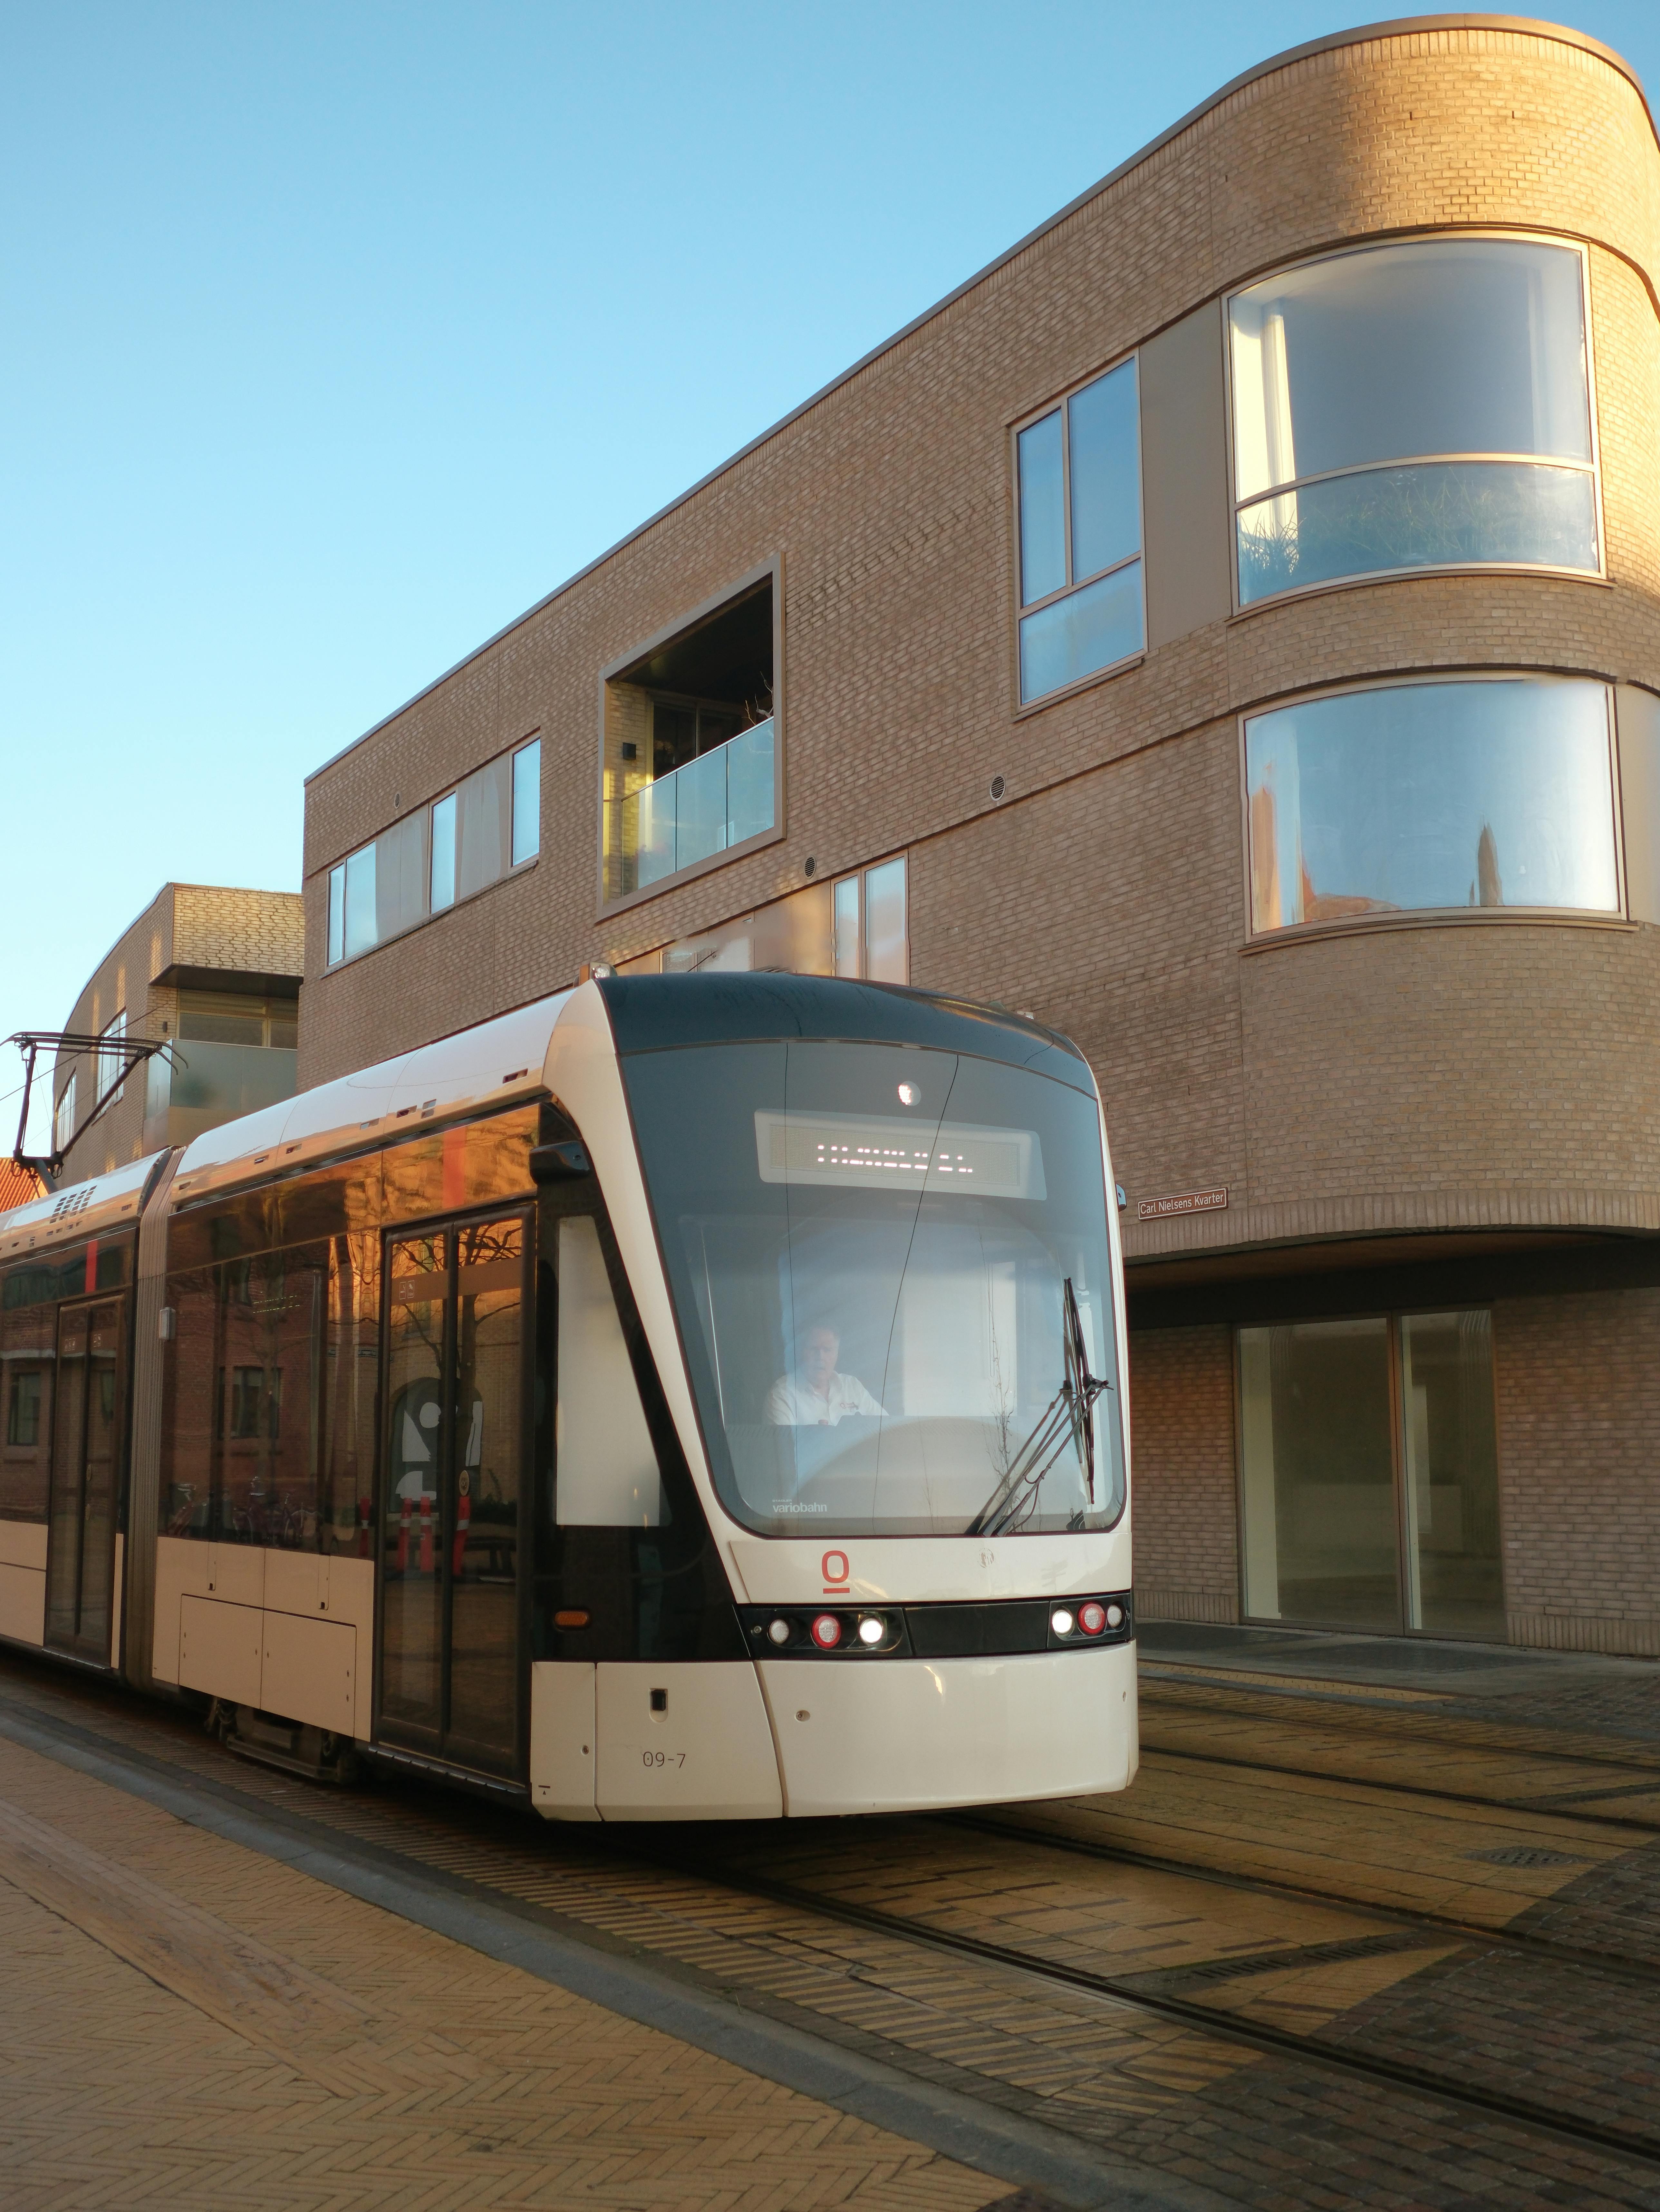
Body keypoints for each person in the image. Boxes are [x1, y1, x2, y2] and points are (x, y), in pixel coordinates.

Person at [765, 1323, 885, 1426]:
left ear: (837, 1354)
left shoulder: (852, 1386)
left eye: (827, 1350)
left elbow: (887, 1427)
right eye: (814, 1349)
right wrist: (814, 1438)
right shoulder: (783, 1394)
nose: (821, 1357)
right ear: (802, 1352)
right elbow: (786, 1449)